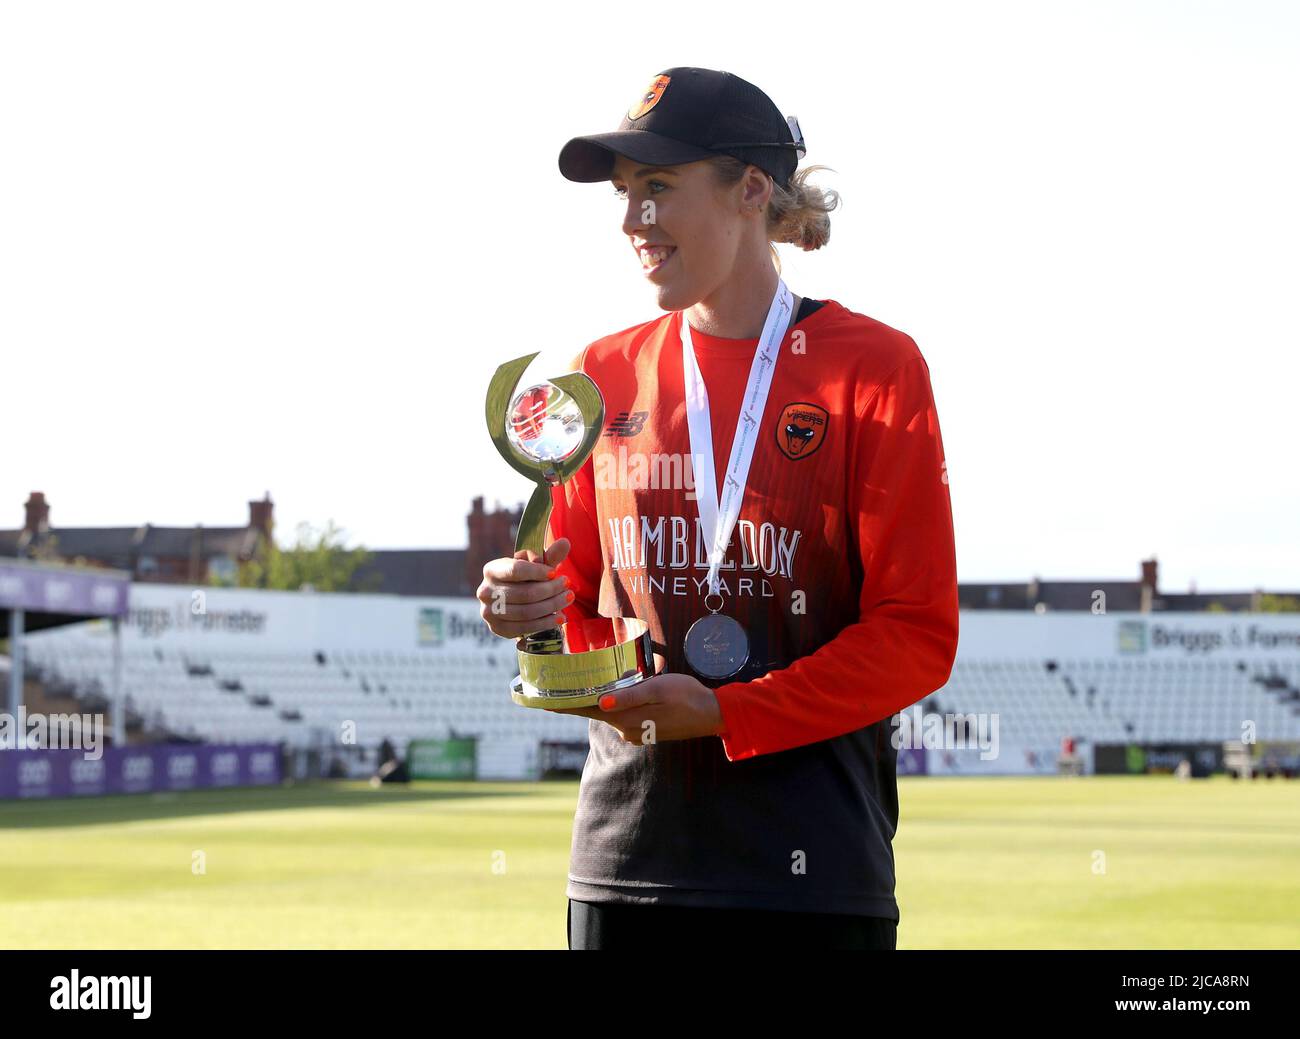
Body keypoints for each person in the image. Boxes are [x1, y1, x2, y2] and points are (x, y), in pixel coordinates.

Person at [477, 66, 959, 950]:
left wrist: (733, 712)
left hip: (814, 871)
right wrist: (529, 613)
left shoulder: (874, 368)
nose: (632, 220)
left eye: (657, 187)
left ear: (750, 191)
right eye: (625, 194)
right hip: (626, 864)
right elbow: (578, 605)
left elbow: (916, 633)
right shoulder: (605, 370)